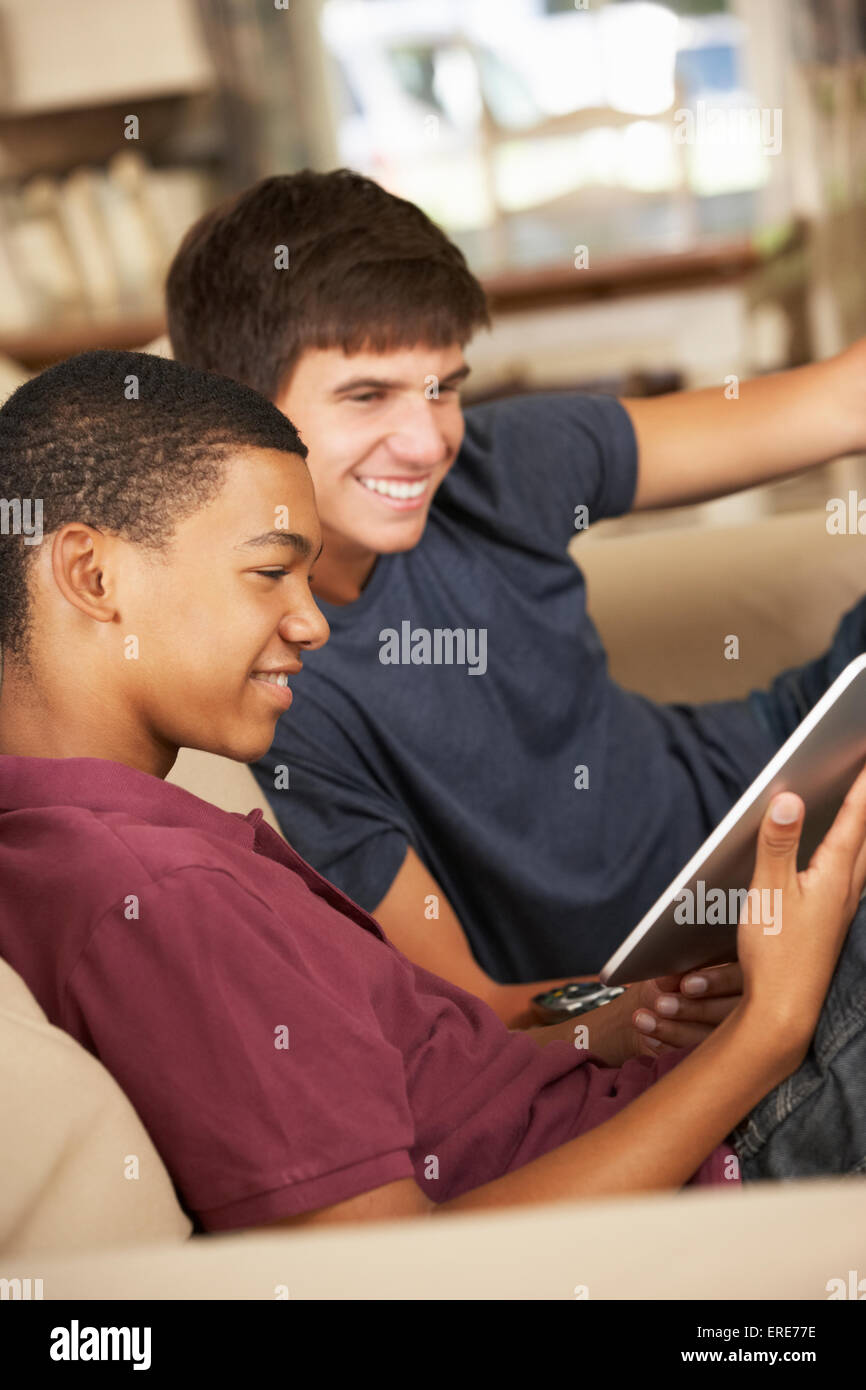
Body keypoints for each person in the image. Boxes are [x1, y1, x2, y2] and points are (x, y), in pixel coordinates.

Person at [0, 349, 865, 1235]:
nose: (313, 622)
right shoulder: (156, 895)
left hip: (664, 1104)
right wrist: (771, 1031)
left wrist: (613, 1026)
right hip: (731, 1162)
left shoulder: (104, 838)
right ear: (92, 576)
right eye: (269, 571)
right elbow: (396, 1276)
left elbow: (426, 1082)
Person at [165, 170, 866, 1023]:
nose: (428, 441)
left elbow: (837, 402)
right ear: (231, 413)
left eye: (444, 386)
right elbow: (478, 1009)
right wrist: (639, 1006)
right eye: (367, 395)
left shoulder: (505, 465)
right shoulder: (271, 680)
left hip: (773, 758)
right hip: (676, 953)